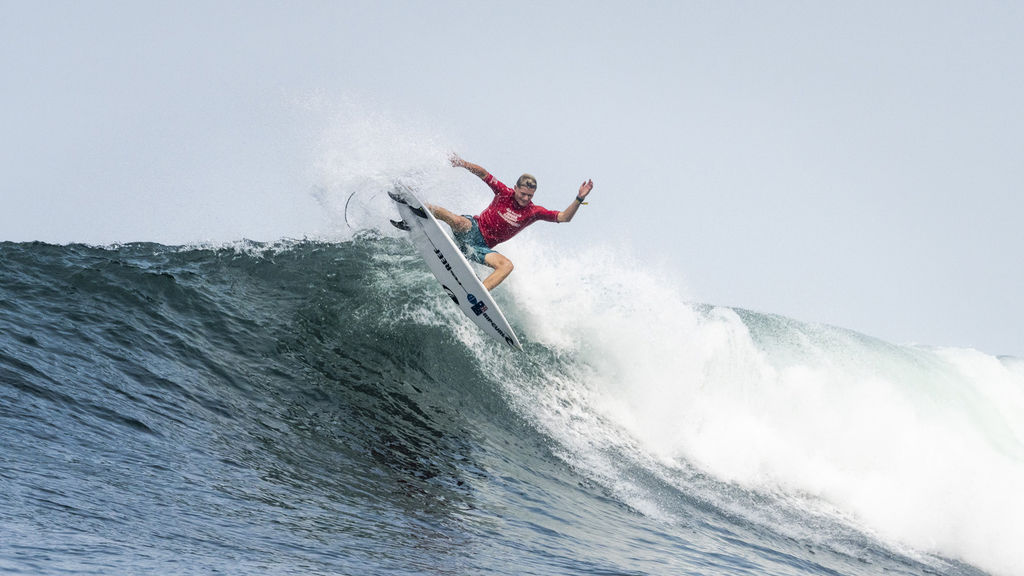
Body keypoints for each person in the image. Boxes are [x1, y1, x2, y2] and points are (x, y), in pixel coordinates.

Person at [430, 154, 594, 291]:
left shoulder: (533, 212)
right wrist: (462, 163)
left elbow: (565, 217)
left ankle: (476, 295)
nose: (525, 198)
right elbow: (483, 174)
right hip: (473, 228)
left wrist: (580, 198)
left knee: (507, 266)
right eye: (523, 194)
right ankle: (421, 207)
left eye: (530, 196)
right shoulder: (503, 192)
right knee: (459, 221)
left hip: (481, 247)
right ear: (515, 188)